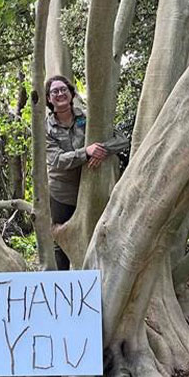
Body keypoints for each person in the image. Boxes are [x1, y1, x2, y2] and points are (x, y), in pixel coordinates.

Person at [45, 75, 128, 270]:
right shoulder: (46, 128)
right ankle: (63, 283)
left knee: (97, 233)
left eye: (63, 89)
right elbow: (56, 160)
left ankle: (94, 279)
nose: (60, 94)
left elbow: (123, 140)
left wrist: (101, 150)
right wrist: (86, 153)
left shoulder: (87, 117)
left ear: (71, 93)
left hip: (91, 188)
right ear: (49, 99)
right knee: (61, 239)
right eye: (54, 91)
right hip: (62, 192)